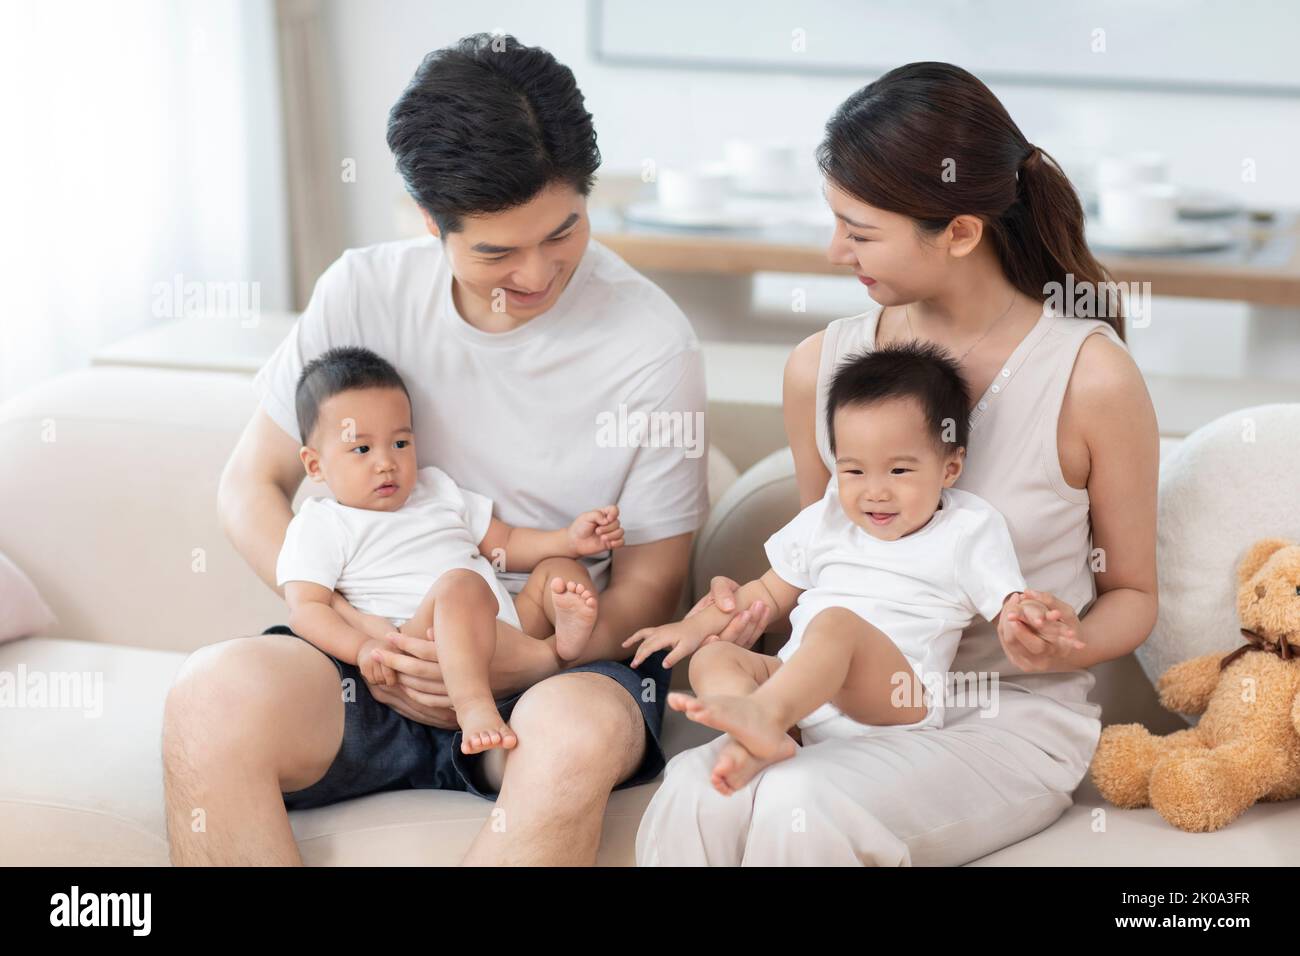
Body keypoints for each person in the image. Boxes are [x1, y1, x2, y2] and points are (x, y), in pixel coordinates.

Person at [162, 34, 708, 865]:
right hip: (370, 650)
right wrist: (362, 634)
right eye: (497, 252)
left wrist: (527, 660)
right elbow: (251, 484)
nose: (538, 275)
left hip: (547, 671)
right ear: (429, 220)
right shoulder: (364, 293)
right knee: (210, 696)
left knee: (580, 732)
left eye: (563, 232)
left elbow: (653, 580)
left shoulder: (653, 344)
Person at [636, 61, 1159, 866]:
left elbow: (1132, 594)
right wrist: (749, 609)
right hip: (839, 699)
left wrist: (1068, 645)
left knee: (802, 804)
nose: (833, 250)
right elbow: (829, 558)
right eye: (834, 221)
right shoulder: (823, 366)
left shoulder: (1090, 377)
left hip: (1002, 718)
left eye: (860, 229)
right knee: (694, 793)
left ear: (958, 231)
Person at [625, 343, 1075, 796]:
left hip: (895, 696)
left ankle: (764, 717)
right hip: (801, 694)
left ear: (950, 467)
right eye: (854, 472)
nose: (874, 492)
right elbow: (765, 591)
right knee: (714, 657)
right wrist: (695, 625)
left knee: (837, 624)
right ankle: (760, 733)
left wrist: (1027, 615)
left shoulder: (968, 529)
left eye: (899, 470)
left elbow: (1007, 603)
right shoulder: (828, 518)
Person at [278, 345, 625, 755]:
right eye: (362, 449)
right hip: (425, 640)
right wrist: (362, 647)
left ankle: (560, 646)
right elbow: (307, 609)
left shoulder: (436, 488)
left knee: (558, 569)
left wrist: (569, 539)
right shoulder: (322, 524)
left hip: (503, 627)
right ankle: (474, 706)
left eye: (401, 444)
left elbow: (505, 543)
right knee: (461, 583)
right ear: (315, 465)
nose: (386, 463)